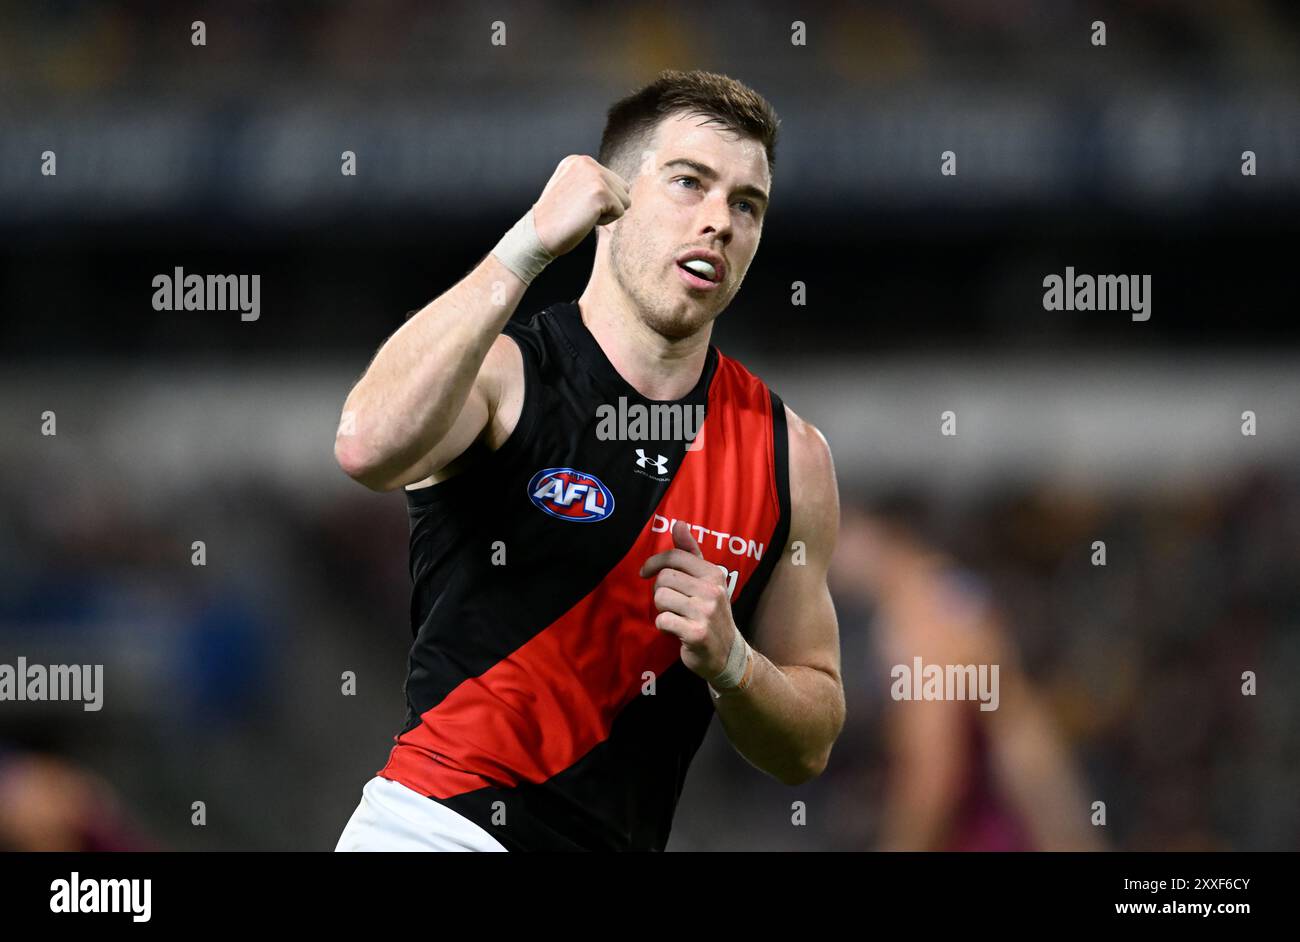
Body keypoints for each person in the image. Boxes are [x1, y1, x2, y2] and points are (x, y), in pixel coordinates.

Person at [333, 70, 844, 851]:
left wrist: (735, 663)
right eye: (689, 183)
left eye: (747, 204)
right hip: (438, 830)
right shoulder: (508, 377)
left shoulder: (789, 455)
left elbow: (808, 743)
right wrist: (527, 244)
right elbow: (365, 445)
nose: (719, 222)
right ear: (612, 200)